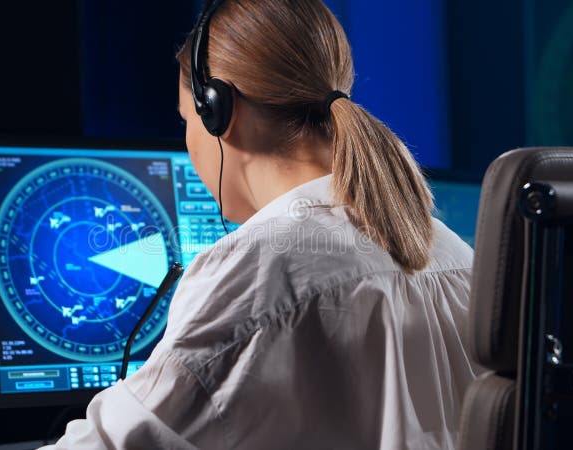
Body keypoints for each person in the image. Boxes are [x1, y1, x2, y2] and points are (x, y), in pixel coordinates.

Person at [44, 0, 478, 448]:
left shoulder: (261, 270)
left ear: (219, 112)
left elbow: (120, 442)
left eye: (187, 120)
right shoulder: (453, 253)